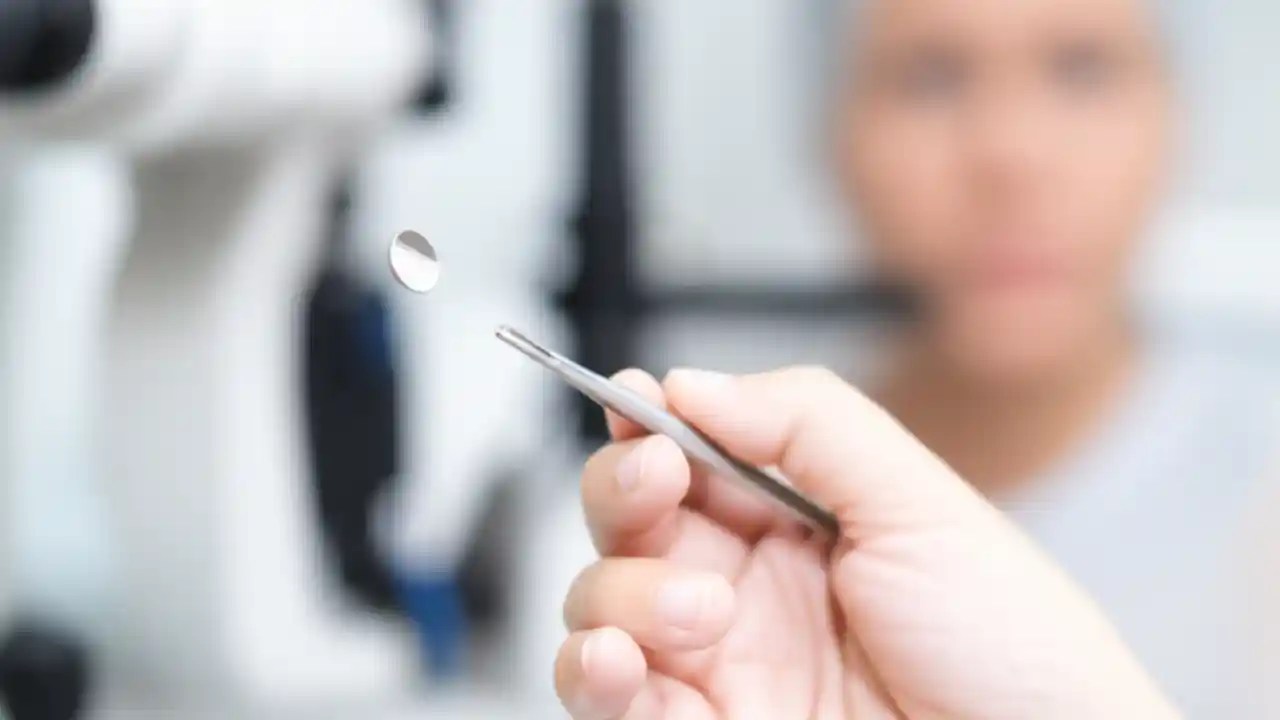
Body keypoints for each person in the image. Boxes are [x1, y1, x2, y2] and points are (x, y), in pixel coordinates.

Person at [552, 0, 1279, 716]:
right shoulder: (713, 528)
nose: (1010, 153)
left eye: (1082, 70)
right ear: (833, 125)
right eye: (931, 78)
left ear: (1176, 110)